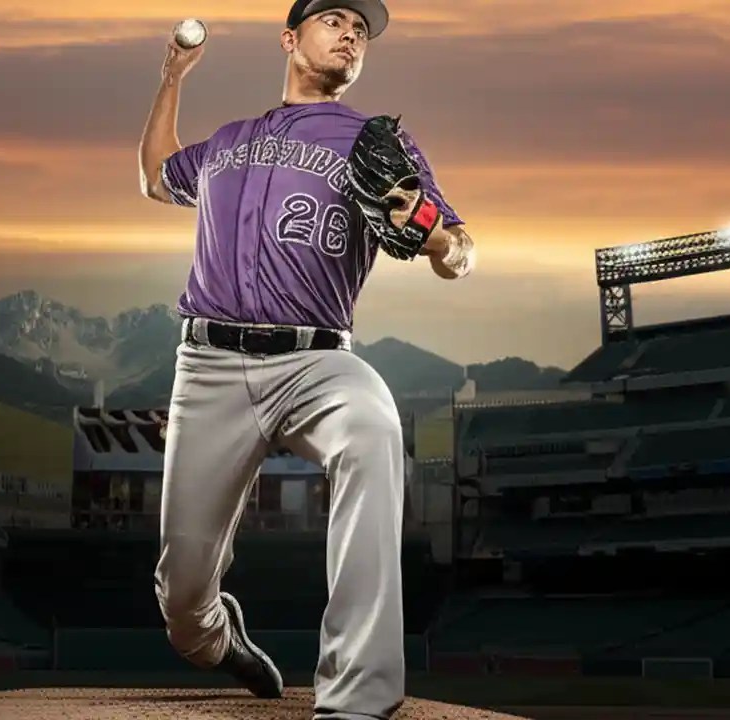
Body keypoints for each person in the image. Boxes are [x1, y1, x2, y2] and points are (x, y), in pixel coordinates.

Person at [137, 1, 476, 718]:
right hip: (208, 368)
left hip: (319, 362)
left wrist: (418, 220)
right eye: (335, 19)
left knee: (376, 431)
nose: (352, 32)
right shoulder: (228, 141)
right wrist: (171, 80)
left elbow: (459, 252)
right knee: (182, 598)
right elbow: (156, 175)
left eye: (362, 29)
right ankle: (219, 641)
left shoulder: (378, 143)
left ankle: (357, 698)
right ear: (291, 39)